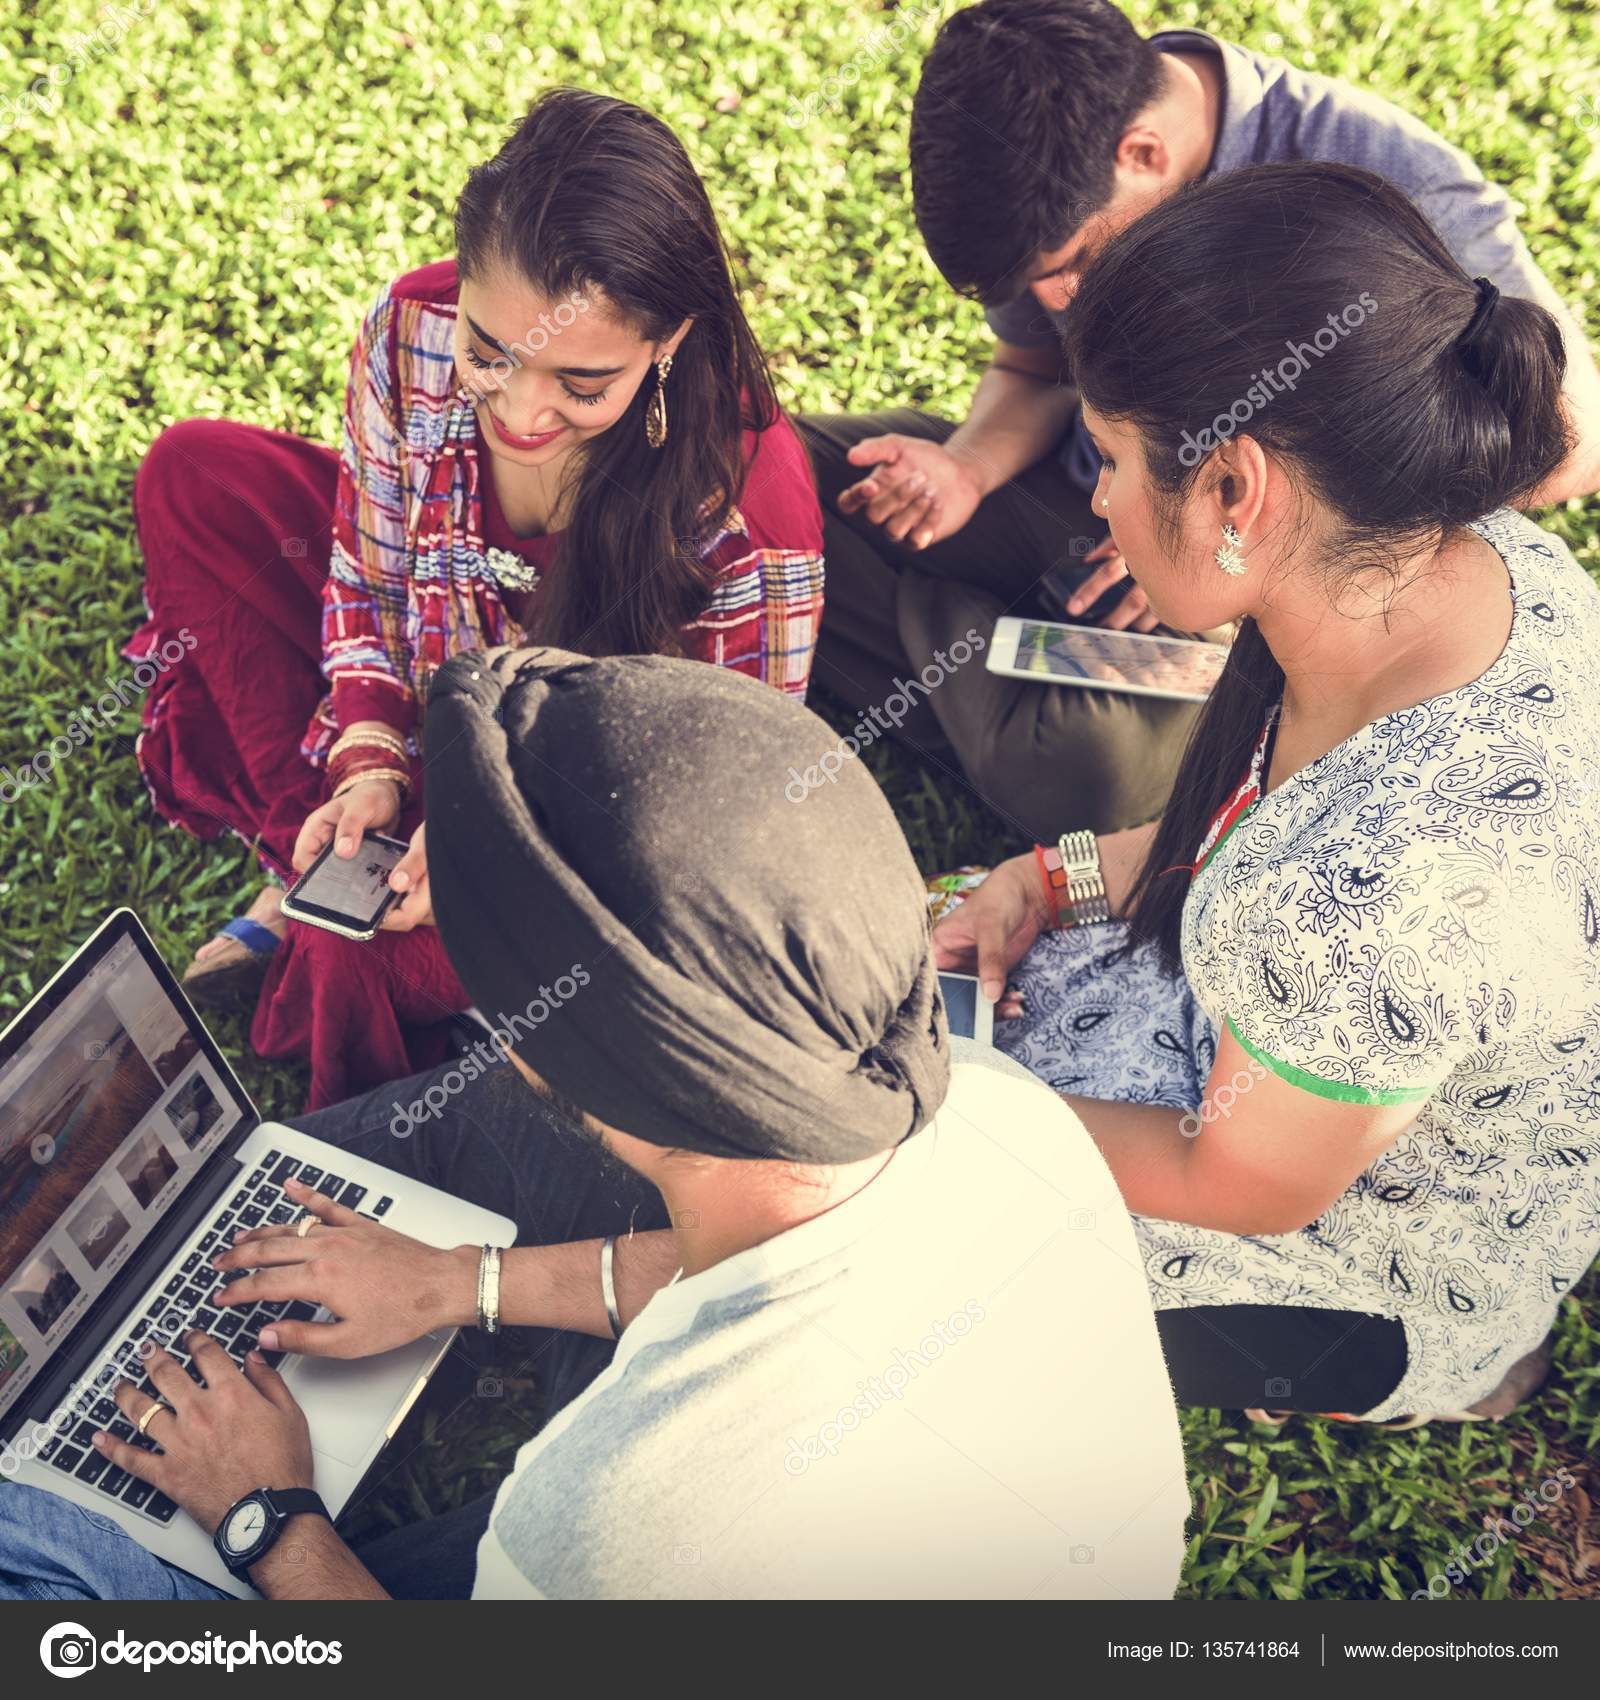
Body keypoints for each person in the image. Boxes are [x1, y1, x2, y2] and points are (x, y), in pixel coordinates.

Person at [0, 648, 1189, 1601]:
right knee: (401, 1154)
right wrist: (458, 1282)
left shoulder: (611, 1517)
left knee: (37, 1535)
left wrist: (267, 1514)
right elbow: (765, 1263)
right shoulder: (999, 1106)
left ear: (554, 1041)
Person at [933, 159, 1600, 1425]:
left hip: (1356, 1257)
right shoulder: (1454, 551)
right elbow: (1245, 812)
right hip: (1317, 1074)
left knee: (893, 1241)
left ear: (1236, 488)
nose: (1100, 494)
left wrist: (940, 1105)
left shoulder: (1373, 899)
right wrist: (1046, 875)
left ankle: (1457, 1374)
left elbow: (1238, 1187)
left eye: (1118, 457)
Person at [127, 88, 825, 1108]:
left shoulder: (747, 513)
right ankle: (327, 852)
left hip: (576, 853)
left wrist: (477, 856)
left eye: (581, 383)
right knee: (197, 476)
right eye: (489, 354)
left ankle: (327, 914)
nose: (521, 411)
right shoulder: (410, 326)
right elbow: (364, 577)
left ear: (668, 339)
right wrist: (368, 764)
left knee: (347, 950)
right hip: (429, 696)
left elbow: (712, 822)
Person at [800, 0, 1600, 842]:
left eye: (1070, 265)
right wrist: (966, 466)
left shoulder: (1390, 184)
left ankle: (952, 642)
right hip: (1090, 504)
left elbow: (1567, 445)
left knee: (1086, 774)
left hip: (1268, 592)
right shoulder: (1048, 187)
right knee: (769, 472)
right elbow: (1030, 371)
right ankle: (987, 668)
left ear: (1142, 152)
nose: (1055, 303)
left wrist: (1224, 544)